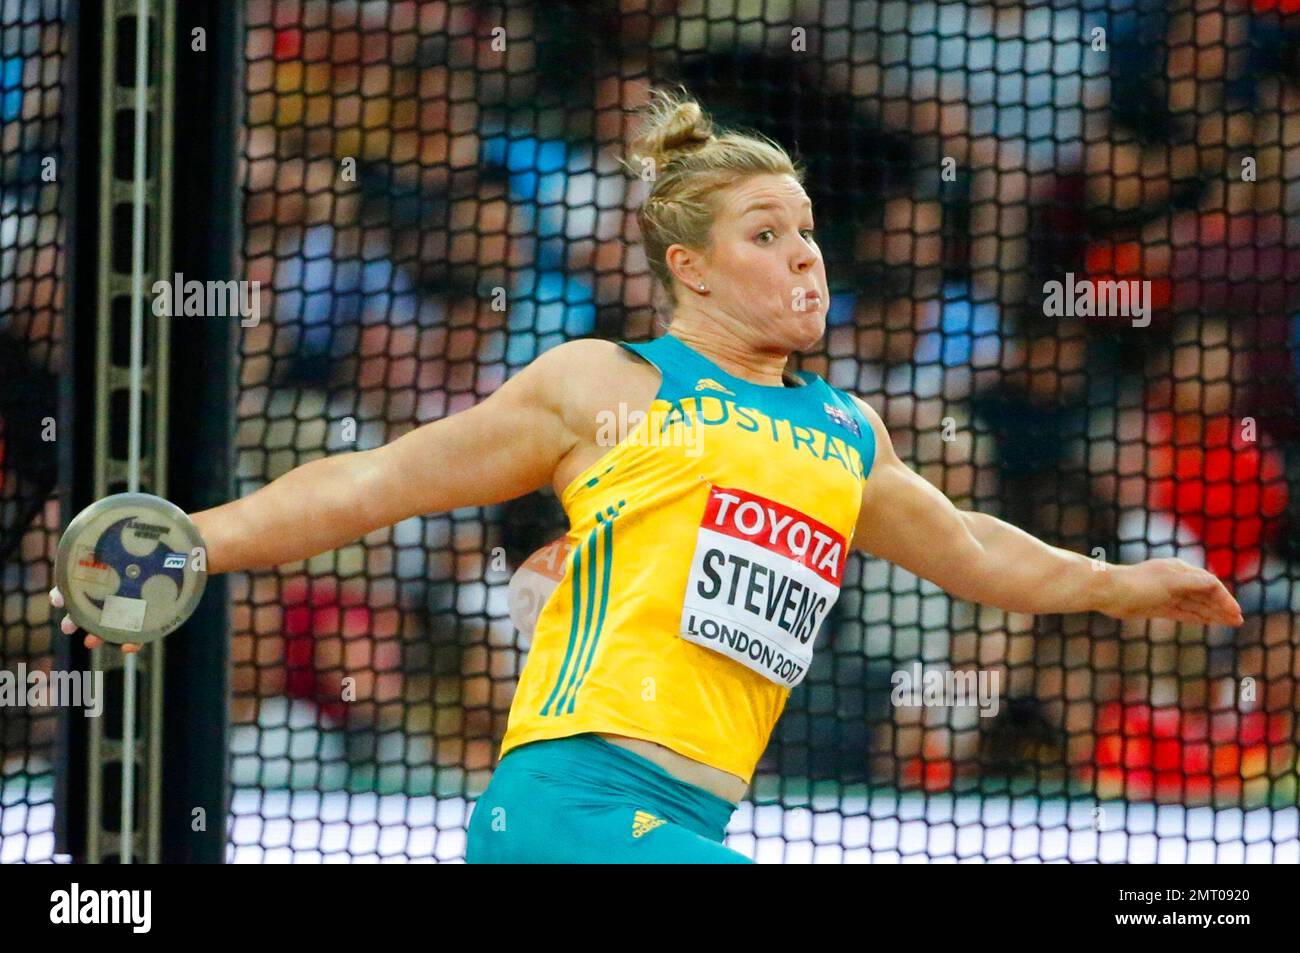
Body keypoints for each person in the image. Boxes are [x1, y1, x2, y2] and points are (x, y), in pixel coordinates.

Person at [51, 89, 1244, 864]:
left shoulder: (845, 430)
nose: (805, 256)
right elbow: (375, 481)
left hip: (690, 817)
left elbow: (974, 548)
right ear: (691, 268)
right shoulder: (605, 383)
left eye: (806, 230)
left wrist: (1119, 585)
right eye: (765, 234)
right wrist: (190, 541)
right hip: (569, 806)